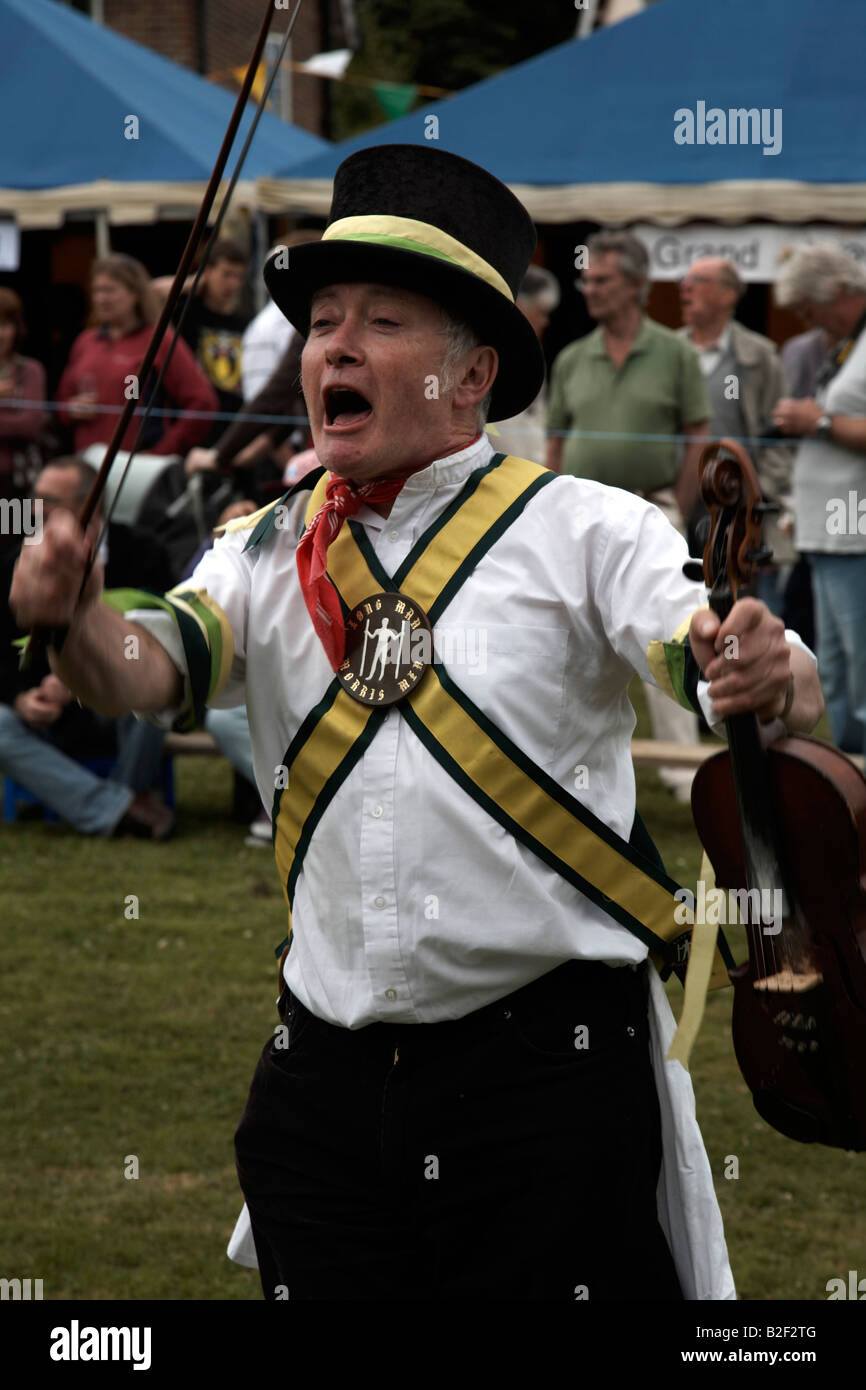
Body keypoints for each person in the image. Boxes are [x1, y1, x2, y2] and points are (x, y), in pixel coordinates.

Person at [11, 145, 822, 1302]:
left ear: (472, 371)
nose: (332, 345)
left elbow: (718, 652)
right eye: (322, 320)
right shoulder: (260, 543)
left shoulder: (587, 529)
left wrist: (754, 664)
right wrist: (81, 616)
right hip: (322, 1080)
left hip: (550, 1079)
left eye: (380, 319)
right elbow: (151, 669)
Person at [547, 231, 711, 801]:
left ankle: (684, 772)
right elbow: (556, 441)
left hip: (656, 510)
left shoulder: (676, 353)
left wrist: (685, 507)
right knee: (568, 638)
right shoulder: (571, 357)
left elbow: (698, 435)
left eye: (602, 279)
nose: (589, 289)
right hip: (577, 525)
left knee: (669, 634)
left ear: (638, 286)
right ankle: (562, 763)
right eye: (585, 280)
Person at [1, 457, 173, 838]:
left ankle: (125, 792)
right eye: (34, 497)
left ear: (90, 506)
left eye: (49, 500)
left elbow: (164, 637)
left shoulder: (145, 552)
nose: (34, 509)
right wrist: (21, 698)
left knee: (151, 696)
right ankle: (119, 809)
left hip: (121, 710)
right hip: (53, 717)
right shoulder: (16, 560)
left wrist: (76, 678)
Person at [772, 243, 866, 760]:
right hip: (829, 534)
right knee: (837, 670)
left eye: (810, 311)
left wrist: (820, 421)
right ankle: (852, 777)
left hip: (857, 535)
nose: (810, 324)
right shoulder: (849, 343)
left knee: (861, 666)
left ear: (836, 292)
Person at [678, 257, 794, 616]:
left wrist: (763, 492)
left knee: (737, 607)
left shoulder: (758, 356)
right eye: (685, 279)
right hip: (678, 501)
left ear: (729, 295)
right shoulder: (667, 351)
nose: (686, 287)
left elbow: (779, 436)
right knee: (678, 595)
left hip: (737, 510)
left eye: (699, 279)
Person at [55, 254, 217, 458]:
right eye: (97, 290)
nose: (101, 298)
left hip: (136, 465)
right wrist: (71, 409)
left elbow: (203, 403)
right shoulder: (85, 342)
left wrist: (163, 451)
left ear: (134, 294)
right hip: (87, 464)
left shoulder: (160, 340)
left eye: (110, 290)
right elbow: (61, 401)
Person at [172, 239, 251, 442]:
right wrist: (189, 283)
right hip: (197, 422)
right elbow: (150, 294)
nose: (233, 284)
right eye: (226, 274)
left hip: (234, 423)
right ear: (207, 271)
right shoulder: (185, 313)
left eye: (238, 277)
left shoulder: (247, 321)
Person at [492, 265, 560, 464]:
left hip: (531, 477)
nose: (545, 321)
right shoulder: (489, 353)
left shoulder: (532, 353)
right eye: (542, 312)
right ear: (520, 305)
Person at [0, 288, 47, 536]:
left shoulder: (30, 371)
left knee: (16, 552)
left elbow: (29, 425)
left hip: (18, 483)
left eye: (5, 324)